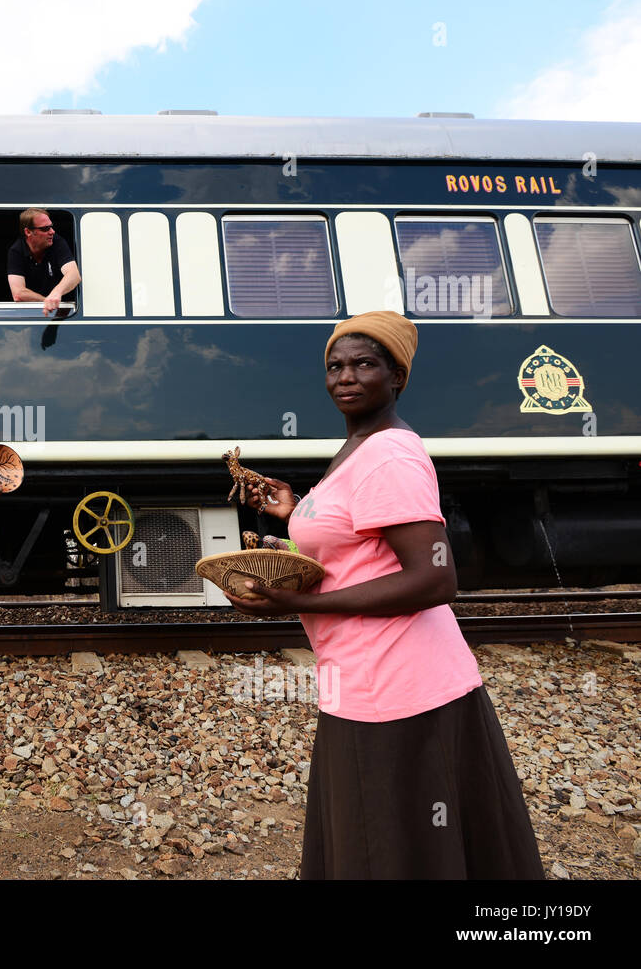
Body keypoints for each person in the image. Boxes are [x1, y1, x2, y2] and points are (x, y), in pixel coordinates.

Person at [223, 311, 543, 879]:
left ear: (397, 377)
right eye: (335, 366)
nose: (345, 376)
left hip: (401, 689)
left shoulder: (390, 453)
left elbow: (435, 578)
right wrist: (295, 513)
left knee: (389, 844)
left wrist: (296, 603)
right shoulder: (359, 448)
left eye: (364, 364)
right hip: (364, 679)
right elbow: (359, 546)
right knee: (383, 840)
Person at [7, 207, 80, 316]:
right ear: (28, 232)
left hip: (67, 313)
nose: (52, 232)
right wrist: (48, 301)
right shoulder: (16, 251)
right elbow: (18, 294)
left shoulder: (57, 241)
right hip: (33, 314)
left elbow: (74, 275)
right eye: (45, 228)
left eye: (51, 227)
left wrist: (56, 293)